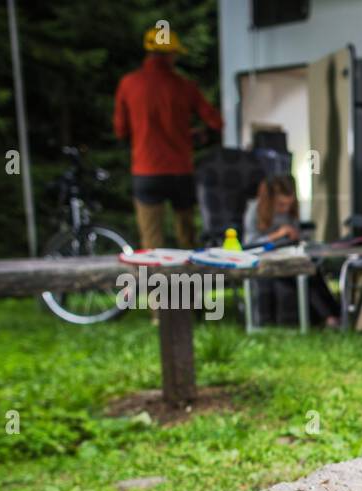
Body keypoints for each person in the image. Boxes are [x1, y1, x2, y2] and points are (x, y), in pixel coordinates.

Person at [113, 25, 222, 250]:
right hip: (180, 171)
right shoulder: (184, 86)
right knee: (187, 238)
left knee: (151, 242)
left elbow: (120, 130)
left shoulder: (129, 84)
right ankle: (191, 285)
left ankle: (156, 285)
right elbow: (216, 122)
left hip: (147, 170)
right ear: (171, 54)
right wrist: (197, 135)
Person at [244, 175, 339, 327]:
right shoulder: (255, 209)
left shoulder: (290, 212)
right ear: (270, 199)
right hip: (265, 259)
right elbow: (248, 243)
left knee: (314, 272)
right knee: (305, 274)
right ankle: (330, 317)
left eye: (289, 204)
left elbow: (296, 232)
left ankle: (335, 314)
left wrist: (297, 235)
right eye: (281, 204)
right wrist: (277, 235)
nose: (286, 209)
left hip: (288, 254)